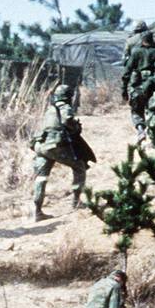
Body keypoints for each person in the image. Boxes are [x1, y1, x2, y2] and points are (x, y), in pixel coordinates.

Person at [31, 84, 95, 219]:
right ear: (69, 97)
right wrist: (76, 127)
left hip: (41, 146)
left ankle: (37, 211)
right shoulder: (65, 107)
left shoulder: (50, 109)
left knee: (41, 178)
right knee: (79, 167)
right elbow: (67, 120)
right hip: (55, 146)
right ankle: (76, 202)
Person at [123, 31, 155, 140]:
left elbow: (127, 71)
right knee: (154, 109)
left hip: (139, 84)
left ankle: (140, 130)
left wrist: (124, 89)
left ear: (142, 40)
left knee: (136, 109)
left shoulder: (136, 52)